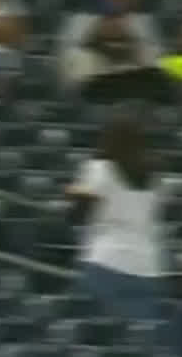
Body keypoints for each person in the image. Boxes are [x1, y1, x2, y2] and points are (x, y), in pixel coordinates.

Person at [68, 113, 166, 329]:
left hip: (107, 262)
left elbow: (77, 216)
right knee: (138, 344)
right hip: (147, 267)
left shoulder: (99, 168)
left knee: (94, 336)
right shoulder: (155, 175)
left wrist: (73, 193)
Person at [56, 0, 171, 105]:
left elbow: (155, 58)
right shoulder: (80, 19)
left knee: (153, 55)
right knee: (78, 57)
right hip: (95, 81)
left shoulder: (143, 21)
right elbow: (66, 55)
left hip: (131, 79)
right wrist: (97, 35)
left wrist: (129, 43)